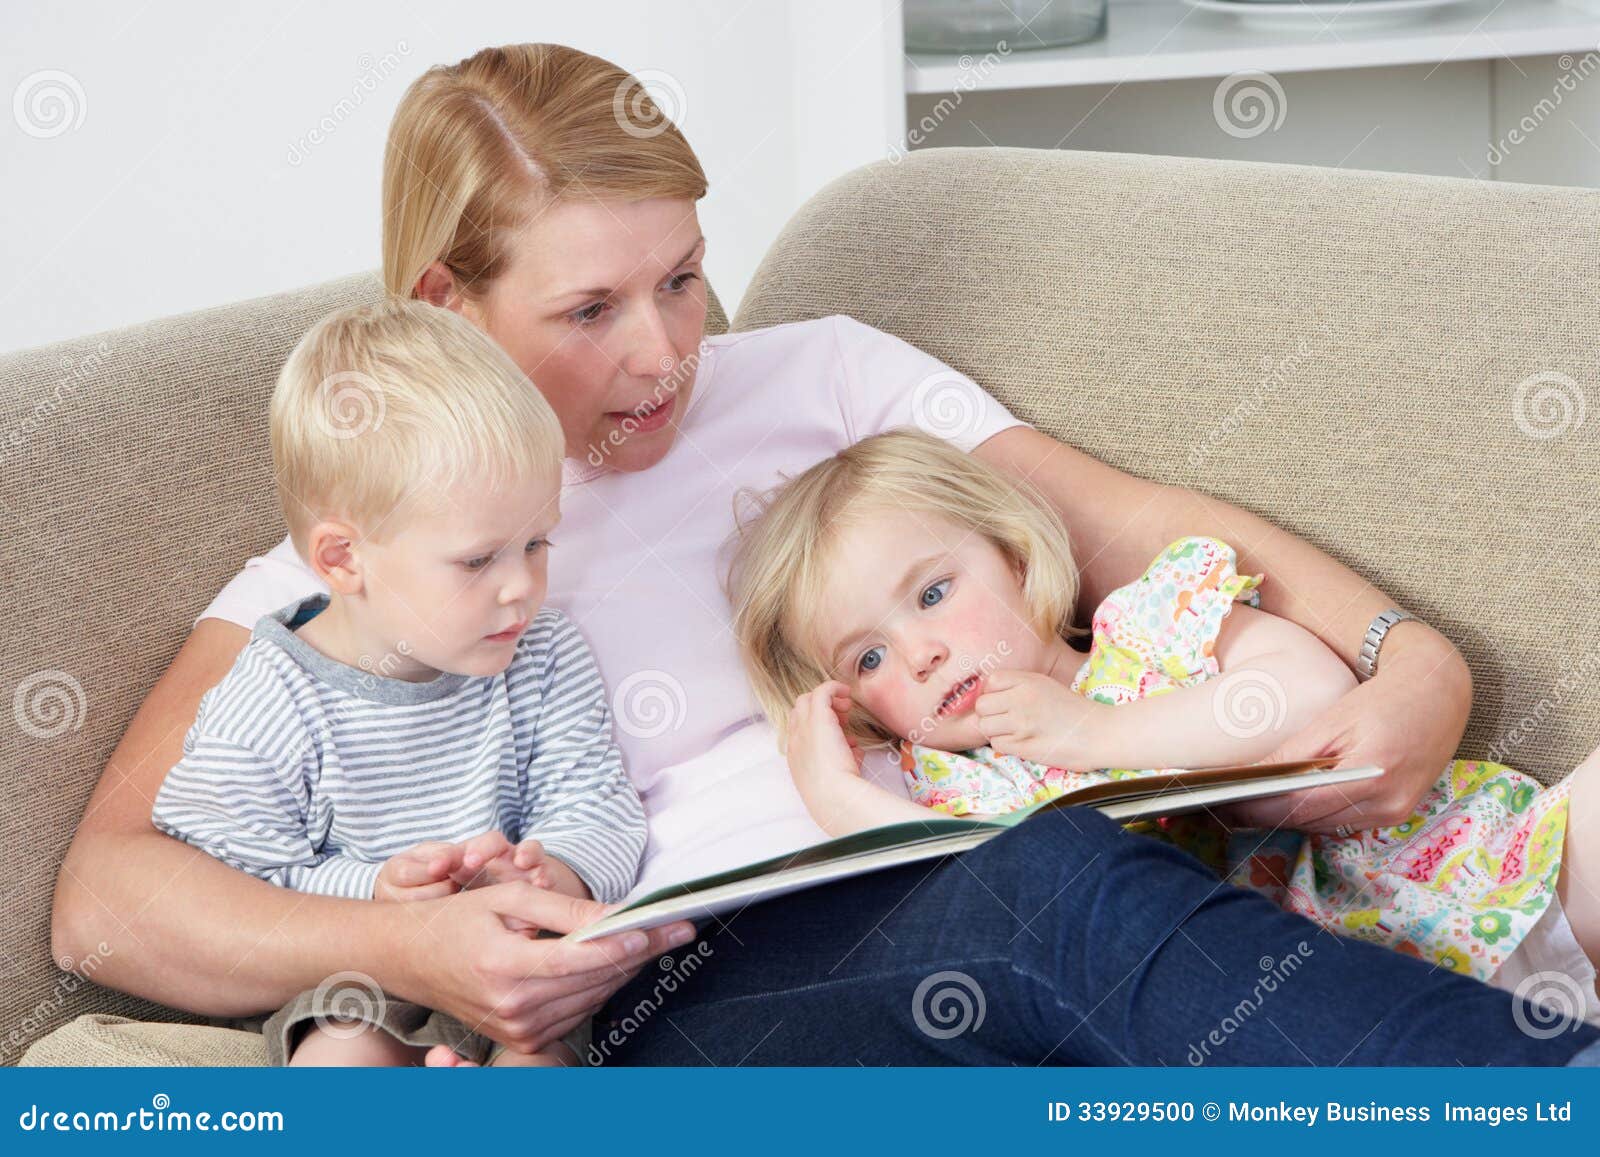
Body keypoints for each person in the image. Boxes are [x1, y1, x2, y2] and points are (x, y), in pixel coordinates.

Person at [48, 43, 1600, 1067]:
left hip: (980, 848)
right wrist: (405, 947)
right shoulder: (399, 547)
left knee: (1078, 887)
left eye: (682, 276)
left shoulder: (830, 374)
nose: (668, 353)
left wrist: (1418, 665)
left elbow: (1149, 531)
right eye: (590, 312)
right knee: (1050, 889)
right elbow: (105, 898)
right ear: (450, 306)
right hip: (699, 984)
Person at [725, 428, 1600, 1019]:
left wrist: (1094, 735)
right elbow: (979, 896)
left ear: (1017, 555)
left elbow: (1305, 685)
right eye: (867, 659)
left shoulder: (1150, 618)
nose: (918, 654)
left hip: (1483, 875)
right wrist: (840, 802)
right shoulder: (959, 786)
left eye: (932, 593)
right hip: (1322, 1003)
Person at [150, 298, 647, 1066]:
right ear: (344, 559)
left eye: (537, 542)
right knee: (341, 1054)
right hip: (357, 976)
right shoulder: (273, 695)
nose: (521, 588)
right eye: (479, 560)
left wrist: (550, 870)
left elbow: (600, 805)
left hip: (514, 962)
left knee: (538, 1051)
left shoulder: (543, 654)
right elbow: (230, 880)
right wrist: (378, 890)